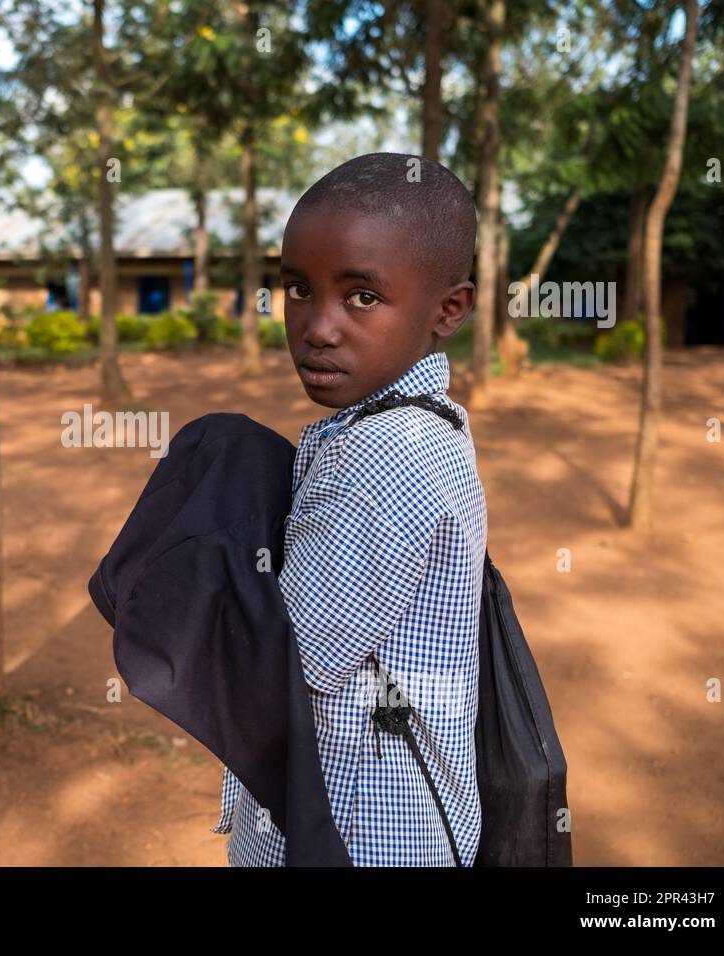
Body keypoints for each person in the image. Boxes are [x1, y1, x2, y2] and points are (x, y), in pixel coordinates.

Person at [212, 152, 488, 866]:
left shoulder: (384, 455)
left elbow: (287, 664)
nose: (317, 327)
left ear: (447, 309)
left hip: (354, 829)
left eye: (361, 296)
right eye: (299, 289)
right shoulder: (426, 422)